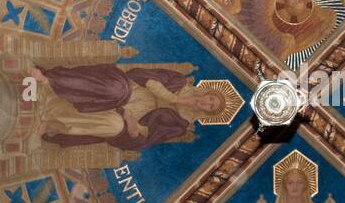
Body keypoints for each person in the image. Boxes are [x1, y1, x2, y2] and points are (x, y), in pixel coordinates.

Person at [29, 63, 226, 150]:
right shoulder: (179, 81)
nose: (206, 103)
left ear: (206, 113)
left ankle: (52, 123)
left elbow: (145, 138)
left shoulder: (180, 124)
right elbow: (143, 75)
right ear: (207, 92)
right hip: (129, 89)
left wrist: (133, 125)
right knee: (116, 90)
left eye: (210, 107)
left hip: (128, 116)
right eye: (210, 99)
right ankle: (49, 82)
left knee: (114, 126)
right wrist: (176, 99)